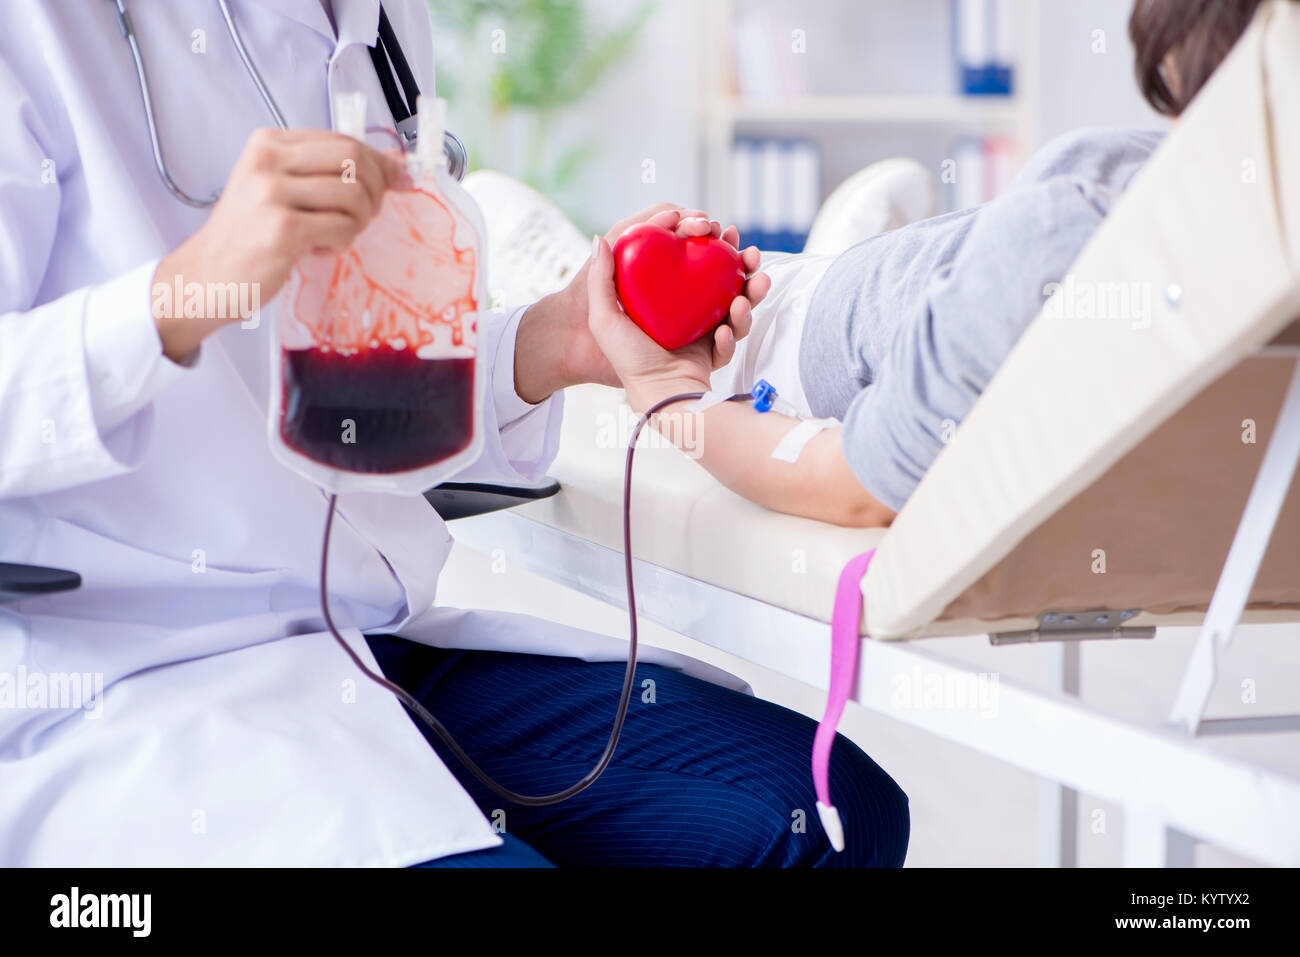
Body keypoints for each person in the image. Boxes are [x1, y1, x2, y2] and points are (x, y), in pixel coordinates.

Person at [0, 0, 909, 867]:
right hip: (129, 675)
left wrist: (556, 341)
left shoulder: (381, 22)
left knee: (825, 816)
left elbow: (361, 396)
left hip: (364, 639)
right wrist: (185, 292)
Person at [588, 0, 1268, 529]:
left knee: (620, 310)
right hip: (913, 284)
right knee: (889, 261)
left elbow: (856, 486)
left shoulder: (1067, 233)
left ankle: (568, 275)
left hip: (811, 347)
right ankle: (846, 242)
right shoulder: (1252, 249)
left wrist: (668, 399)